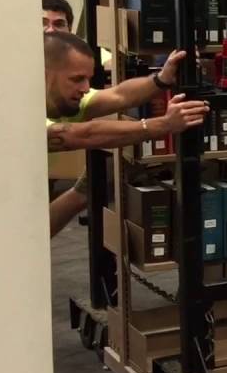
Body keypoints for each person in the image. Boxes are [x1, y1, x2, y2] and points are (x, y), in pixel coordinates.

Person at [45, 31, 209, 235]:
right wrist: (164, 124)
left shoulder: (62, 98)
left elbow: (119, 95)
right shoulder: (19, 114)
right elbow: (82, 134)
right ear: (44, 74)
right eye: (77, 79)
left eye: (87, 79)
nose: (86, 88)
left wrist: (162, 79)